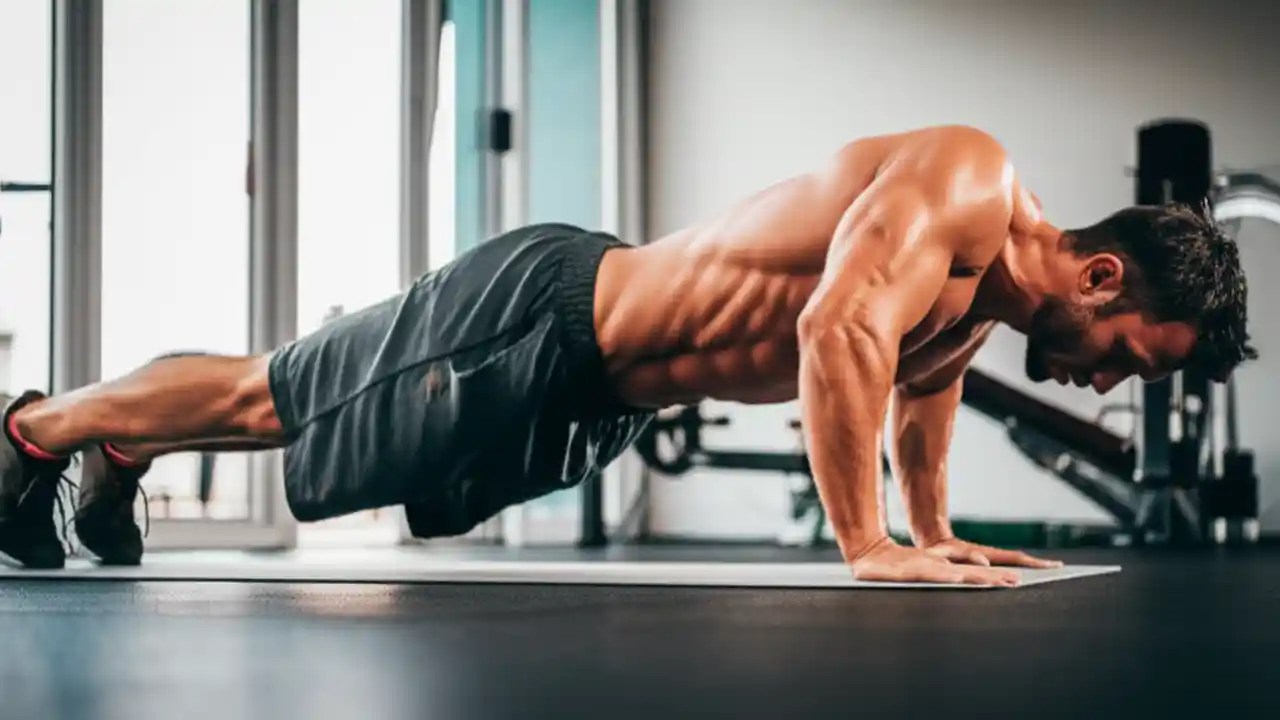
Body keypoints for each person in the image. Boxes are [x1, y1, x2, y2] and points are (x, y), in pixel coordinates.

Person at [0, 125, 1255, 584]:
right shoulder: (967, 179)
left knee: (313, 433)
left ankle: (123, 443)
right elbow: (840, 331)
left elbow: (916, 396)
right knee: (274, 396)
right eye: (1128, 358)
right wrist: (864, 545)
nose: (1108, 384)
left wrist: (926, 532)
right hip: (544, 312)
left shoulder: (984, 295)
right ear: (1101, 273)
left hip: (590, 397)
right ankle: (34, 431)